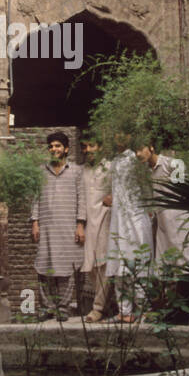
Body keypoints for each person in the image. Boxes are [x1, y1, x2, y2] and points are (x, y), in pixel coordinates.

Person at [30, 131, 86, 319]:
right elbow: (35, 198)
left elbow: (82, 199)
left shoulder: (76, 171)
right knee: (43, 266)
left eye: (58, 146)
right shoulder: (40, 171)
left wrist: (80, 224)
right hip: (45, 226)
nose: (54, 149)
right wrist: (35, 222)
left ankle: (63, 307)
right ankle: (46, 307)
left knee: (67, 267)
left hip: (67, 226)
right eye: (51, 146)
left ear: (66, 149)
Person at [105, 134, 154, 321]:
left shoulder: (137, 159)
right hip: (118, 219)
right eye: (115, 134)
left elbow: (148, 188)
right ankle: (124, 311)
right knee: (119, 265)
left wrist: (148, 211)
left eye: (123, 133)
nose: (119, 137)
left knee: (139, 261)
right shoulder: (114, 161)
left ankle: (143, 309)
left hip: (137, 216)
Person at [136, 143, 189, 266]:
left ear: (151, 147)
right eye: (135, 151)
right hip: (163, 225)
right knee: (165, 266)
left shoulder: (173, 164)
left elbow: (184, 194)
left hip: (181, 223)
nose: (138, 154)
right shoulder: (145, 172)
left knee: (186, 263)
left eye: (140, 149)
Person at [80, 138, 113, 322]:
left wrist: (113, 197)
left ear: (100, 146)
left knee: (104, 265)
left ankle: (98, 308)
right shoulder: (82, 171)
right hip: (87, 223)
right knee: (90, 266)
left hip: (106, 219)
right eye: (84, 146)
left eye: (91, 145)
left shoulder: (110, 167)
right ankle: (106, 305)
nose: (88, 150)